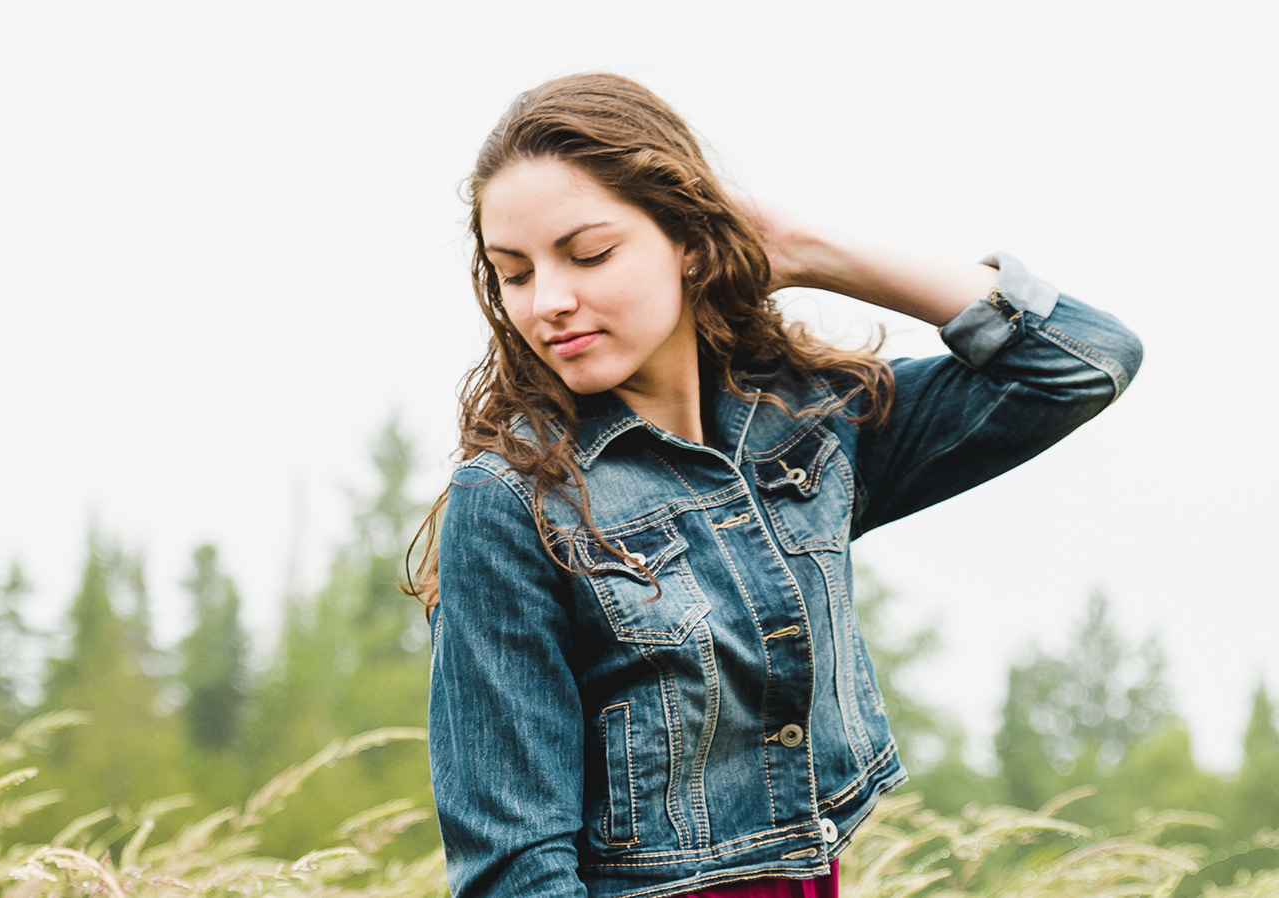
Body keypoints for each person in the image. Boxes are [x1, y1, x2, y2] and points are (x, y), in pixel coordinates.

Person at [413, 73, 1142, 898]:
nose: (549, 301)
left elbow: (1081, 361)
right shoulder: (511, 501)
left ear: (688, 242)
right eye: (514, 274)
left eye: (589, 254)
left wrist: (806, 249)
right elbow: (515, 868)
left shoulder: (807, 430)